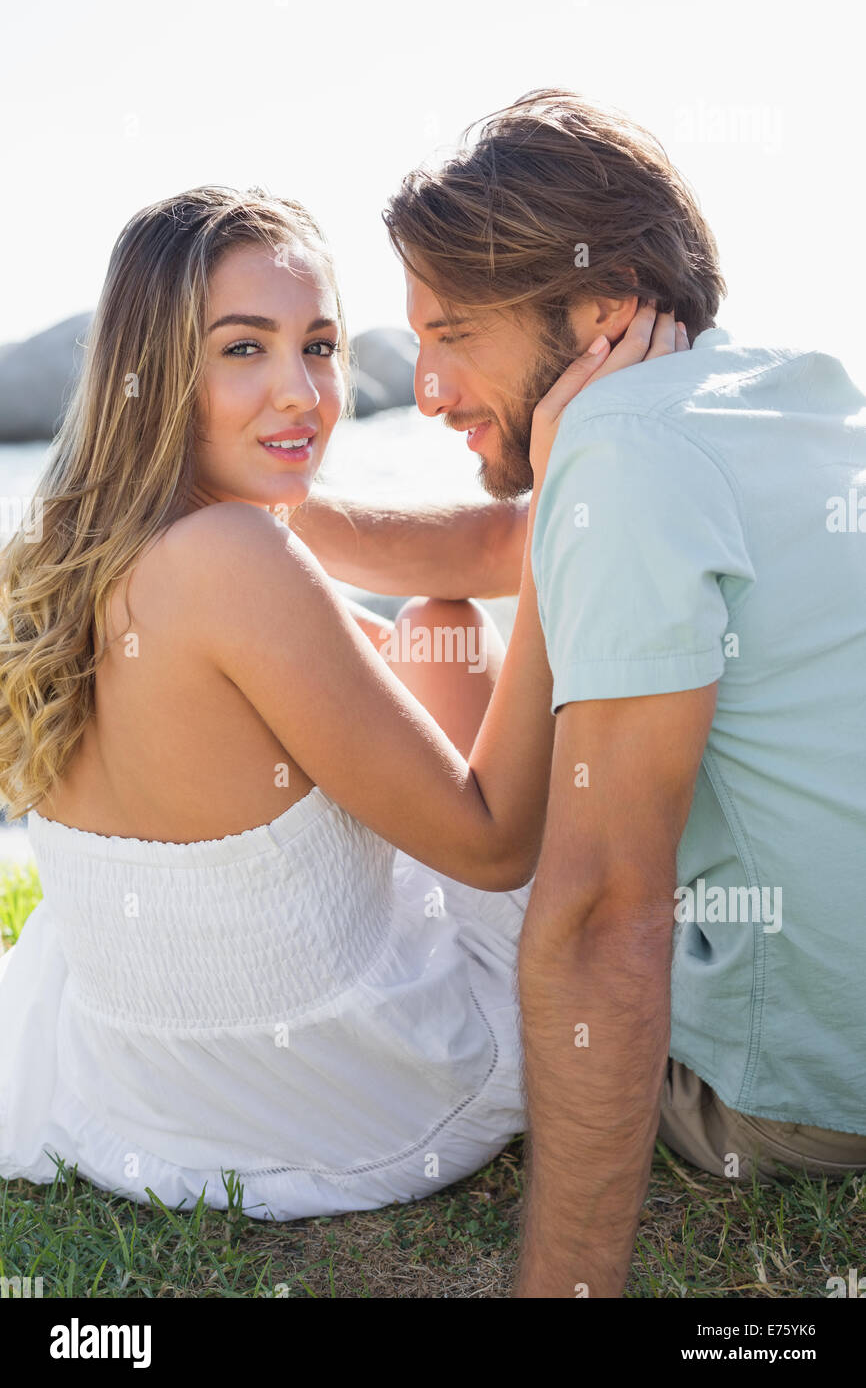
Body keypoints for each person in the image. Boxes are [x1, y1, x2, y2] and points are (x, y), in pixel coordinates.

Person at [0, 184, 677, 1223]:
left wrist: (566, 445)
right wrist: (578, 526)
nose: (302, 392)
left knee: (425, 622)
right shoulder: (237, 553)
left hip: (146, 1099)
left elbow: (493, 539)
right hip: (341, 1103)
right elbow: (492, 848)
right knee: (440, 626)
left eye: (317, 346)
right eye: (242, 349)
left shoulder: (75, 549)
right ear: (157, 368)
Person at [296, 88, 866, 1297]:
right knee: (443, 633)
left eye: (455, 335)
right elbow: (514, 547)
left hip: (782, 1100)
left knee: (445, 680)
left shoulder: (621, 456)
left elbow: (609, 911)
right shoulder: (787, 395)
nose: (430, 385)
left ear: (599, 309)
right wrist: (278, 511)